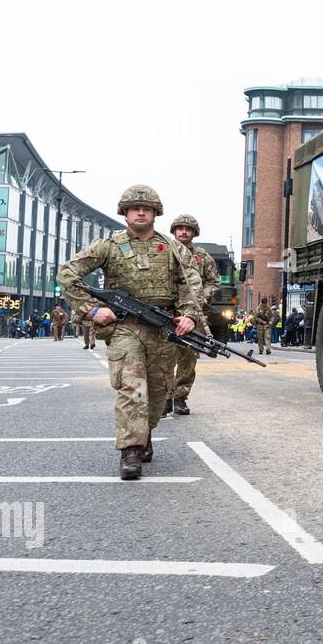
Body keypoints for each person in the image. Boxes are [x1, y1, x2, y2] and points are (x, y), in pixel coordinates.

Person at [57, 184, 201, 480]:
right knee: (132, 388)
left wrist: (188, 316)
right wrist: (92, 310)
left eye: (146, 209)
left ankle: (144, 433)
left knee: (159, 394)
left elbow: (190, 285)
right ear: (124, 213)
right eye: (135, 208)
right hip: (125, 329)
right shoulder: (108, 247)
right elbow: (67, 274)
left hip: (163, 329)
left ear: (155, 214)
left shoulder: (173, 248)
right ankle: (130, 451)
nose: (140, 212)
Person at [166, 214, 219, 416]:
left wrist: (201, 297)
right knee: (163, 355)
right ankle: (164, 398)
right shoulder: (164, 251)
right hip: (166, 310)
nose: (183, 231)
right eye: (179, 228)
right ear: (174, 230)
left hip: (193, 312)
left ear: (194, 233)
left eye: (188, 229)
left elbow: (213, 281)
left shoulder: (203, 257)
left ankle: (179, 397)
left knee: (188, 356)